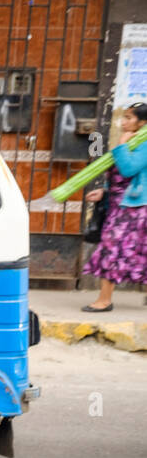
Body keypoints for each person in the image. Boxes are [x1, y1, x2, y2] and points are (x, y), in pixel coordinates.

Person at [81, 102, 147, 312]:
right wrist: (104, 192)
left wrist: (121, 145)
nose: (124, 122)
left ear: (142, 122)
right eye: (124, 117)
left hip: (135, 208)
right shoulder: (134, 143)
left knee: (113, 248)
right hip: (120, 205)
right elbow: (120, 177)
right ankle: (105, 298)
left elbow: (128, 169)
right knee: (130, 250)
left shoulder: (142, 144)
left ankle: (104, 300)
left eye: (129, 118)